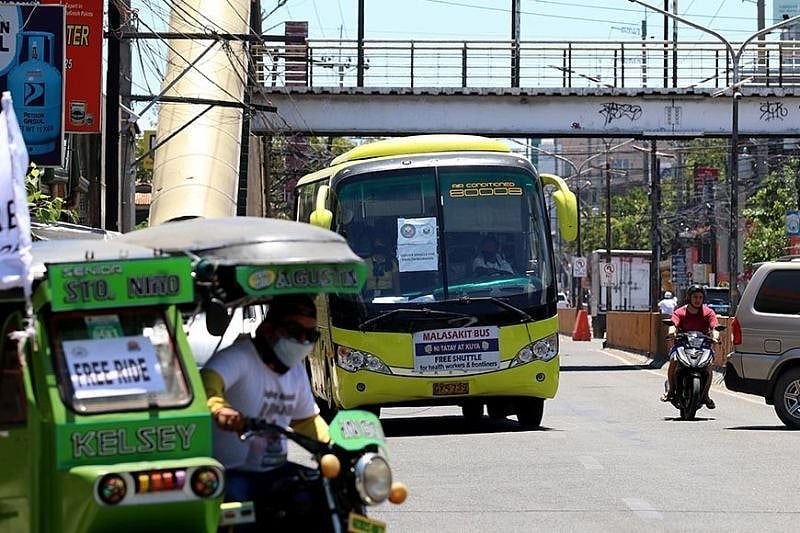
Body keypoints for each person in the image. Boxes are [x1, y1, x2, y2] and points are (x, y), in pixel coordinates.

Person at [200, 294, 329, 524]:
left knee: (322, 493)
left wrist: (335, 448)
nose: (302, 340)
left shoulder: (296, 370)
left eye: (310, 335)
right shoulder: (240, 357)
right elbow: (210, 381)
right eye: (294, 330)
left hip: (276, 472)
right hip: (231, 473)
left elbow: (306, 421)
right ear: (269, 329)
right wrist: (220, 409)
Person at [660, 284, 720, 409]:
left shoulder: (708, 312)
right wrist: (672, 333)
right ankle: (671, 391)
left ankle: (705, 396)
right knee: (674, 361)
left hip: (703, 347)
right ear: (689, 298)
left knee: (709, 367)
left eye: (700, 297)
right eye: (695, 297)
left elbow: (715, 326)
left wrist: (715, 336)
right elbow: (673, 324)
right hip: (683, 345)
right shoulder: (680, 312)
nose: (698, 300)